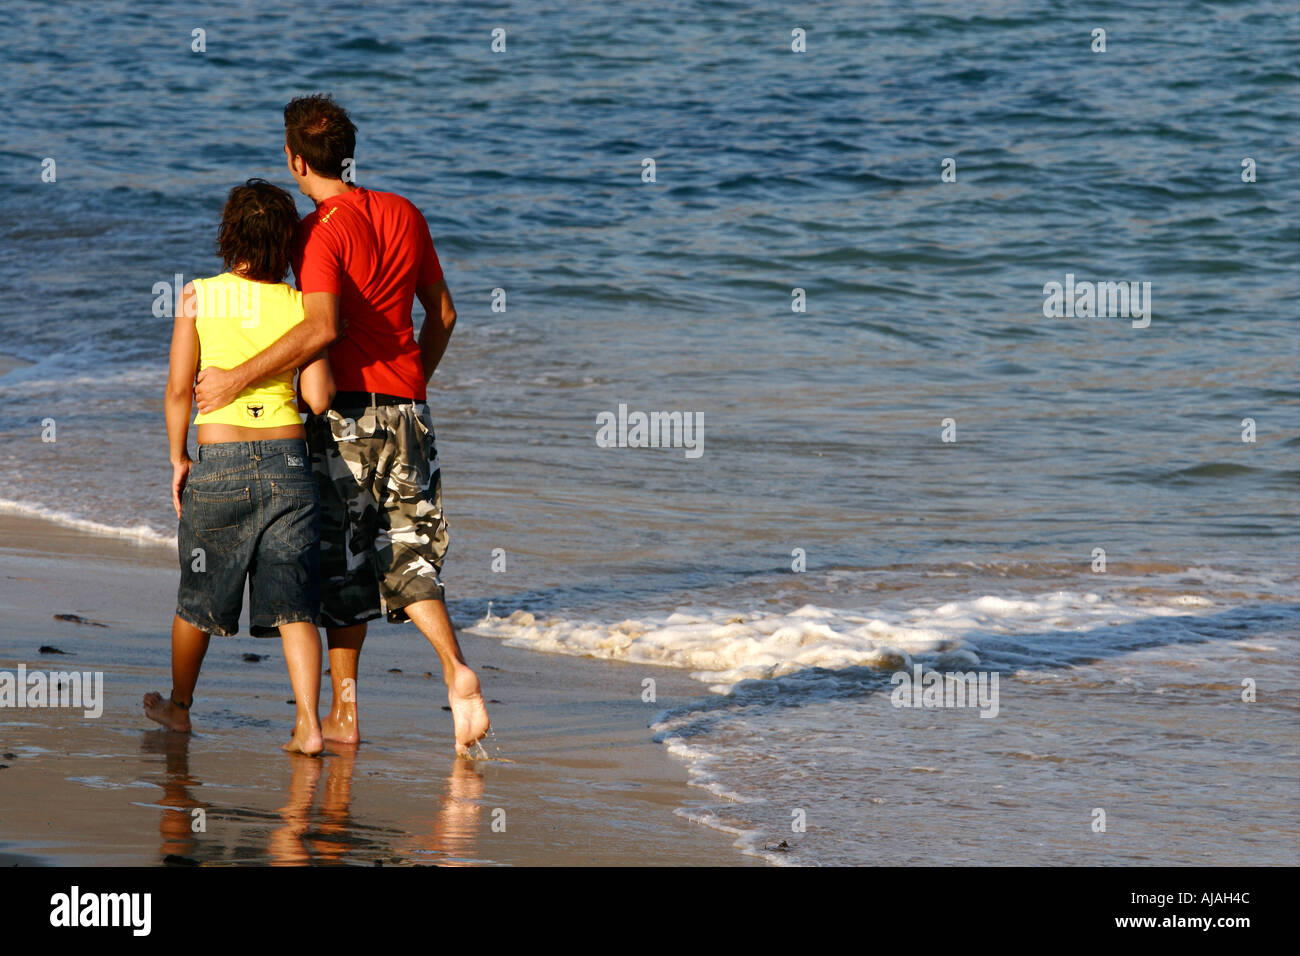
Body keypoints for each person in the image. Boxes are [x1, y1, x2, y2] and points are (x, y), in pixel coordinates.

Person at [194, 94, 490, 756]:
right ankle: (409, 689)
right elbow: (442, 315)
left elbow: (322, 326)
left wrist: (235, 379)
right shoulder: (404, 211)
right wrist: (415, 384)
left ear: (297, 160)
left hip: (347, 416)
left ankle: (394, 693)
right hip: (408, 407)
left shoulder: (319, 231)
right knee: (403, 552)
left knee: (348, 564)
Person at [145, 179, 335, 755]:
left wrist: (179, 456)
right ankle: (307, 724)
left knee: (198, 597)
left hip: (220, 461)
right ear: (286, 243)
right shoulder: (302, 304)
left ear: (229, 237)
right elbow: (320, 396)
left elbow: (179, 389)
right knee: (295, 601)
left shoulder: (198, 295)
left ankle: (179, 710)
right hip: (289, 463)